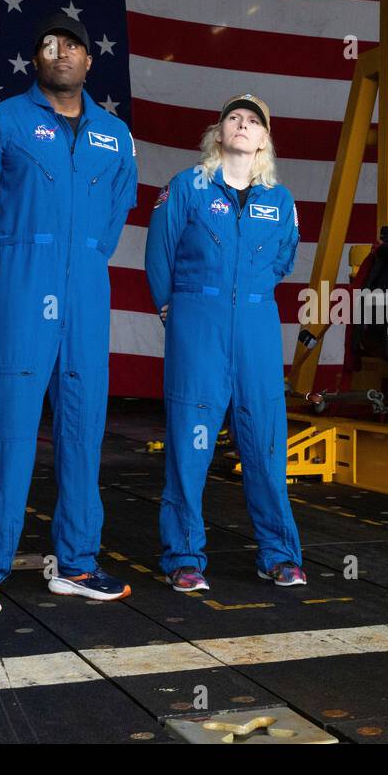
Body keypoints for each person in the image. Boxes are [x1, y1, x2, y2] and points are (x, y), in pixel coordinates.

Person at [0, 13, 138, 614]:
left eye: (74, 45)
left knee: (84, 426)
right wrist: (2, 271)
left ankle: (77, 564)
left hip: (85, 285)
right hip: (19, 283)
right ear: (37, 59)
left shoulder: (115, 134)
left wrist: (80, 260)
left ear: (89, 60)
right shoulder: (2, 122)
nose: (62, 53)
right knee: (5, 427)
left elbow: (115, 211)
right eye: (49, 44)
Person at [145, 95, 306, 591]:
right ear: (219, 134)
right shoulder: (187, 188)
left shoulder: (279, 200)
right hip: (198, 322)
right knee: (190, 446)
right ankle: (184, 557)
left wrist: (249, 295)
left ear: (263, 140)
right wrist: (175, 309)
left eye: (253, 121)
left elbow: (284, 260)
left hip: (256, 324)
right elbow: (159, 252)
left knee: (265, 445)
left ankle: (279, 554)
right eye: (233, 118)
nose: (242, 125)